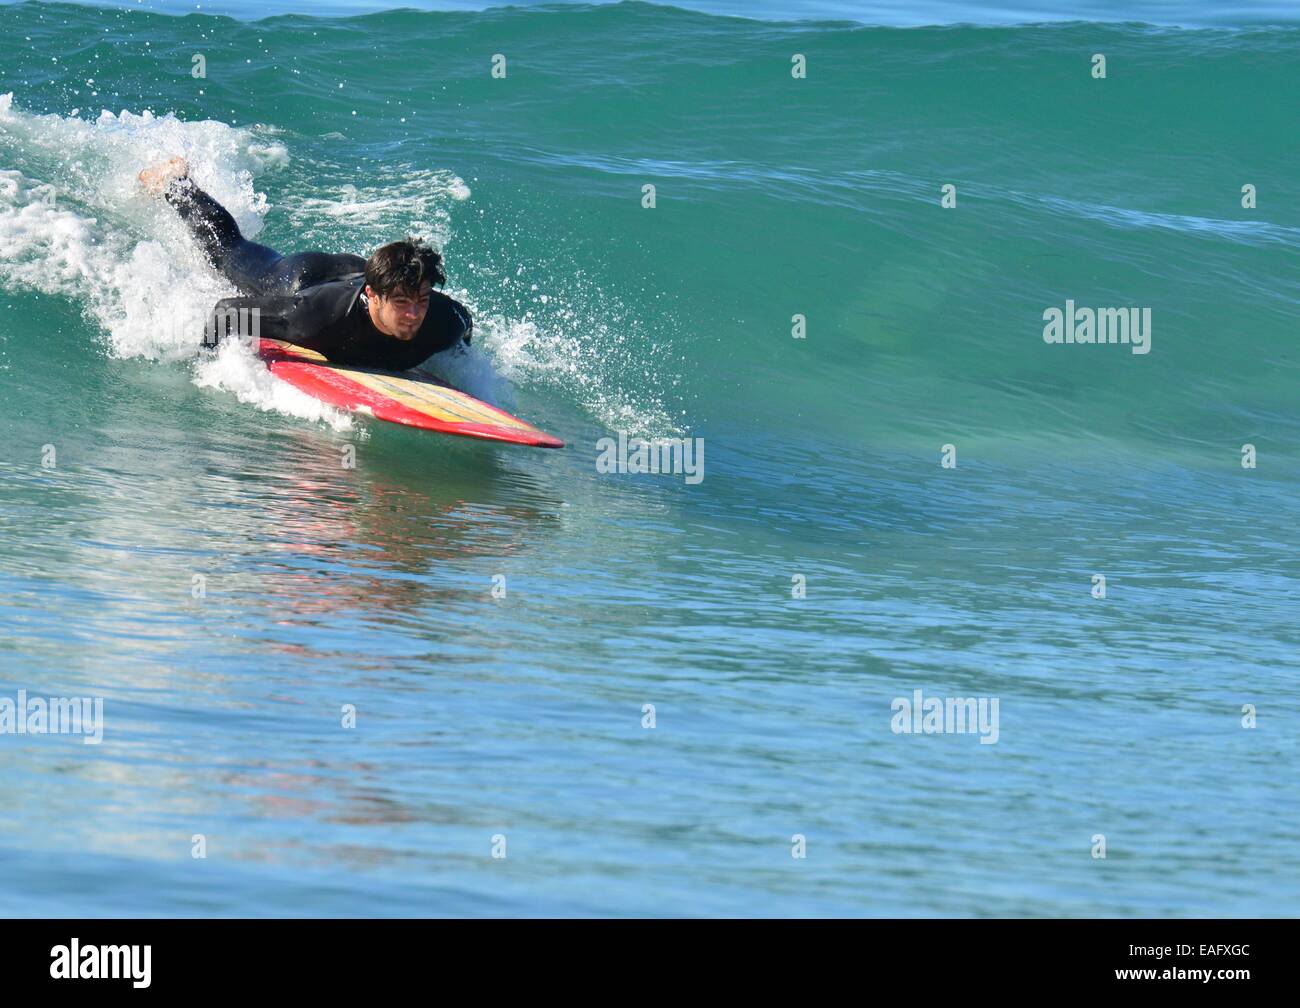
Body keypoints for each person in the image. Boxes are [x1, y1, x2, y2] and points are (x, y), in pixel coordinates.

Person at [137, 157, 472, 370]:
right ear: (374, 295)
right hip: (301, 278)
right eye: (401, 303)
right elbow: (227, 312)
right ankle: (176, 184)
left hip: (356, 270)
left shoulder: (444, 321)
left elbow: (465, 322)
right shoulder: (313, 320)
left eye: (421, 301)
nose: (414, 314)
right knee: (227, 253)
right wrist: (209, 367)